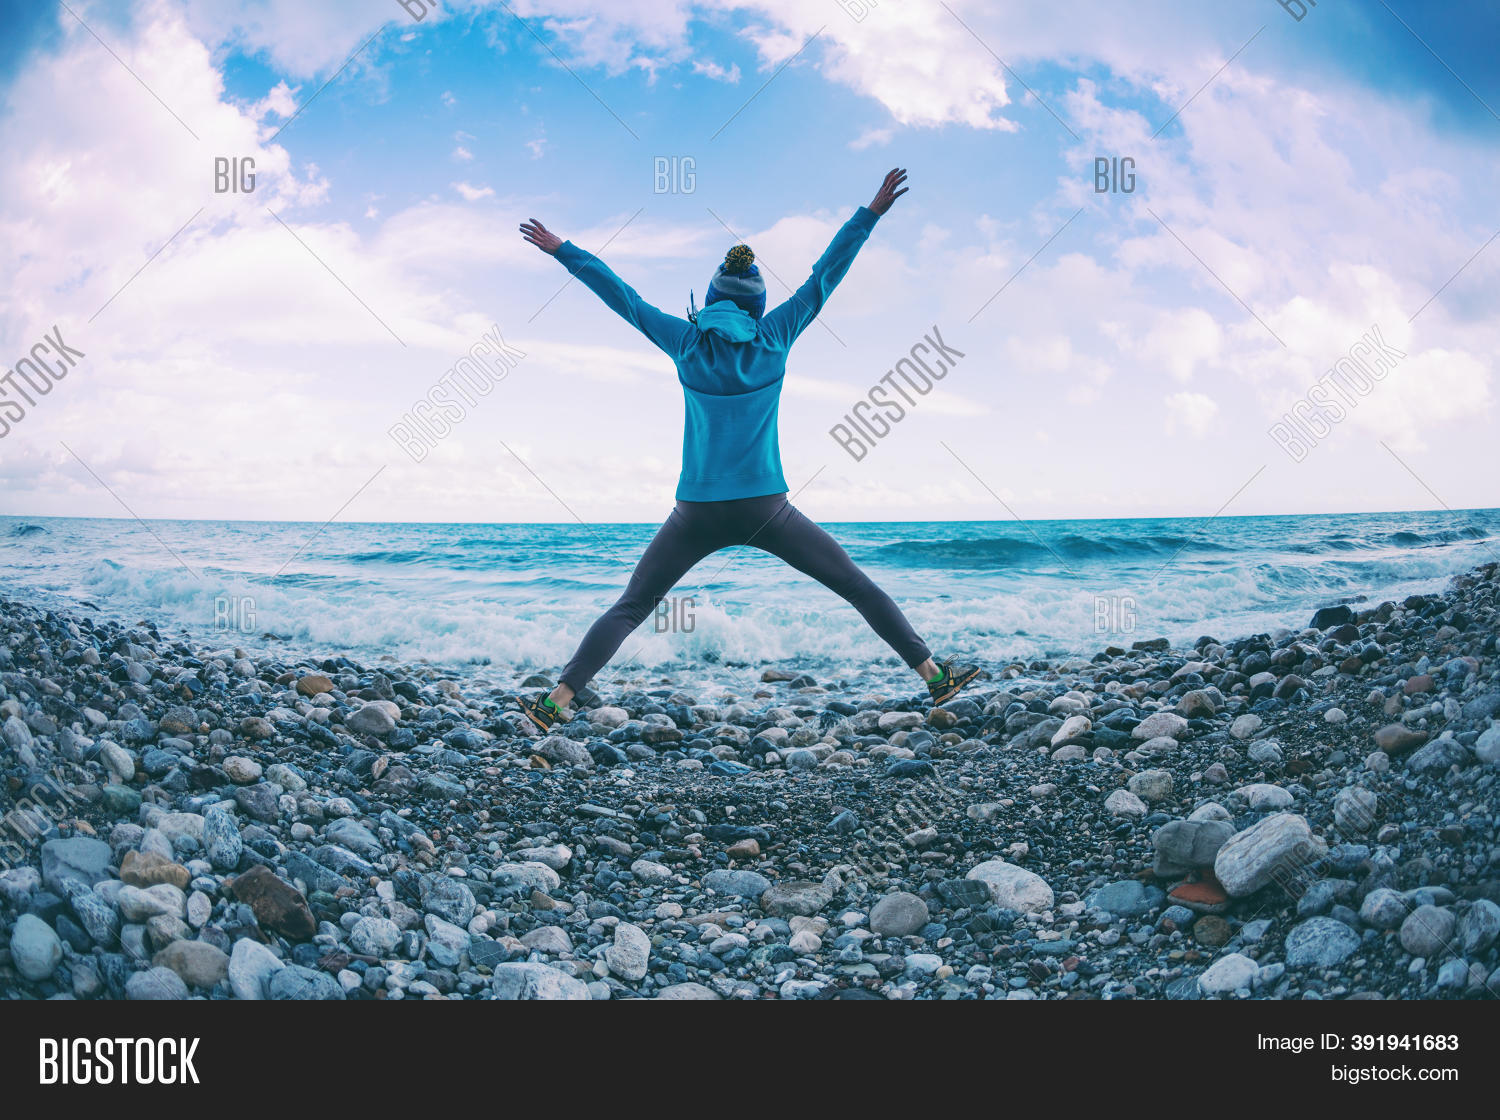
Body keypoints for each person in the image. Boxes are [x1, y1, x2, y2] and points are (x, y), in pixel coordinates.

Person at [516, 168, 978, 732]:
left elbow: (625, 299)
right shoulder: (775, 337)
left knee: (633, 606)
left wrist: (564, 250)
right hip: (767, 508)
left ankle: (554, 702)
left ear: (710, 299)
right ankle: (935, 677)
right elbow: (824, 277)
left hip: (696, 512)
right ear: (758, 305)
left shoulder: (686, 341)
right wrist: (870, 214)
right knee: (855, 585)